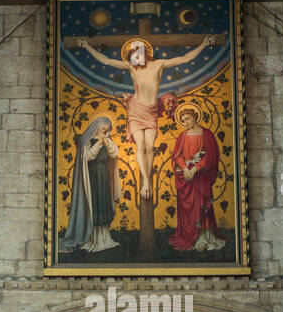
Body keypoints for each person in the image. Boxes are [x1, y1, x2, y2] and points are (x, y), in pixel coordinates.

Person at [78, 35, 214, 200]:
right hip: (136, 110)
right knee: (140, 145)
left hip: (151, 112)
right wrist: (87, 46)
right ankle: (147, 183)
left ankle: (147, 181)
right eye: (132, 55)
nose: (135, 58)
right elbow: (106, 61)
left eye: (137, 54)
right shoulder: (132, 67)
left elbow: (184, 58)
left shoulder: (159, 64)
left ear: (145, 53)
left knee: (150, 147)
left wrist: (203, 44)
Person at [168, 101, 226, 252]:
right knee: (188, 209)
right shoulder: (182, 136)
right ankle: (188, 236)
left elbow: (211, 156)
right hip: (186, 178)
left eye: (188, 118)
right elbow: (176, 156)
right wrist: (186, 168)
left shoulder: (207, 135)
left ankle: (203, 237)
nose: (186, 122)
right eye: (184, 120)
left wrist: (195, 168)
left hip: (201, 178)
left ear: (195, 118)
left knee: (202, 206)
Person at [60, 115, 121, 253]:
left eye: (106, 129)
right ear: (97, 126)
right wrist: (98, 144)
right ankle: (92, 239)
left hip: (104, 176)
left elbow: (113, 153)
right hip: (92, 176)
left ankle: (104, 239)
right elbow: (87, 157)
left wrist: (105, 141)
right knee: (94, 204)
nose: (104, 130)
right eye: (102, 127)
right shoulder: (87, 140)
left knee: (104, 202)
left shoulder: (107, 140)